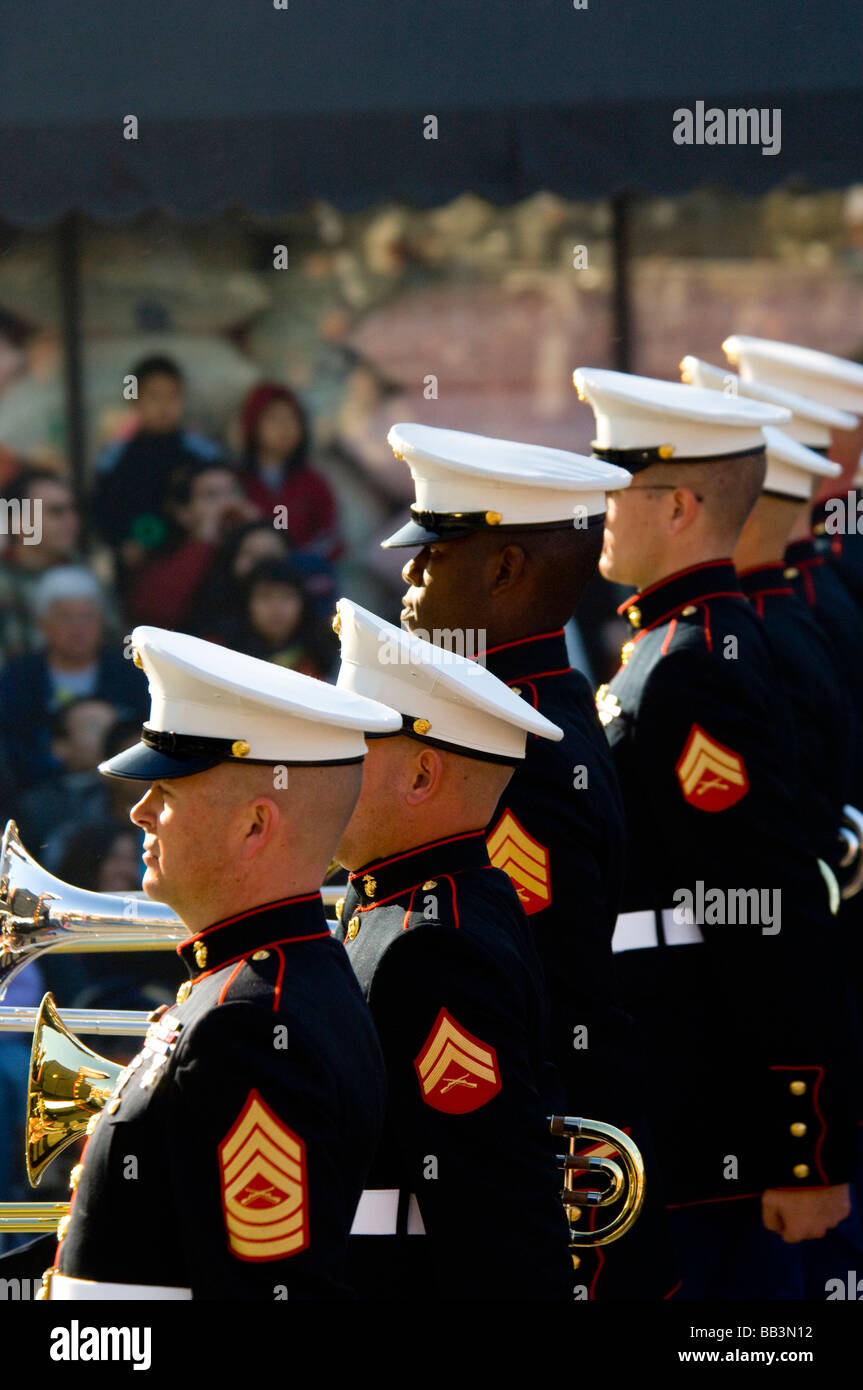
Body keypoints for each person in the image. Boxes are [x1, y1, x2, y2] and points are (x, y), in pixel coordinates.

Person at [574, 365, 859, 1299]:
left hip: (706, 1108)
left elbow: (767, 907)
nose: (601, 506)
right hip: (682, 1087)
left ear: (682, 504)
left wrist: (802, 1146)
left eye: (620, 486)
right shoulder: (667, 648)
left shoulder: (694, 664)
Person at [380, 422, 672, 1298]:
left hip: (539, 1167)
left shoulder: (516, 748)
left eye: (433, 555)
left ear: (505, 570)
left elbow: (523, 985)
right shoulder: (533, 712)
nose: (408, 576)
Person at [39, 624, 401, 1300]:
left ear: (255, 826)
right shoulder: (248, 989)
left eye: (166, 793)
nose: (141, 812)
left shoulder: (249, 1020)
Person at [331, 598, 573, 1299]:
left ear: (420, 776)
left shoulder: (431, 945)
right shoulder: (410, 904)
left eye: (354, 746)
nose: (328, 769)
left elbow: (495, 1211)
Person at [0, 567, 147, 790]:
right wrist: (55, 757)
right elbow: (11, 745)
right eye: (65, 617)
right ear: (43, 624)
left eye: (87, 616)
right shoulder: (20, 677)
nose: (78, 627)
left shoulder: (129, 674)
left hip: (121, 794)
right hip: (40, 797)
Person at [90, 355, 221, 583]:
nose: (164, 406)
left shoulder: (205, 455)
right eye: (154, 397)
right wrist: (122, 543)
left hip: (199, 567)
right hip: (136, 573)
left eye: (172, 396)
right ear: (135, 400)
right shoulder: (114, 458)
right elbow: (101, 510)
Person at [126, 458, 259, 629]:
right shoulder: (159, 558)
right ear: (182, 512)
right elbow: (158, 609)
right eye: (211, 496)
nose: (227, 503)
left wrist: (260, 533)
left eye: (234, 492)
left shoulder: (260, 542)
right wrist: (203, 542)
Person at [237, 382, 341, 562]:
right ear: (253, 425)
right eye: (273, 419)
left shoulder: (313, 483)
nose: (285, 427)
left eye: (292, 418)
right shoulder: (236, 480)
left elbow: (330, 536)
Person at [0, 467, 81, 664]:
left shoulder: (85, 577)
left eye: (73, 509)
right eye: (56, 512)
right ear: (19, 522)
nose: (71, 520)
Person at [218, 559, 335, 676]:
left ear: (304, 603)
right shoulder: (218, 653)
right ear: (246, 603)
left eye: (287, 596)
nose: (276, 608)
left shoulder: (322, 658)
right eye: (265, 596)